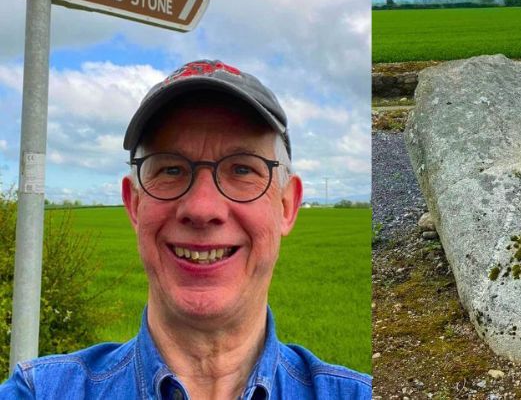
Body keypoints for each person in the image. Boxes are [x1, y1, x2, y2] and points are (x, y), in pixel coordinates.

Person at [1, 60, 372, 399]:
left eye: (242, 169)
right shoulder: (41, 391)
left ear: (287, 206)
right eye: (171, 170)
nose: (202, 208)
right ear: (134, 204)